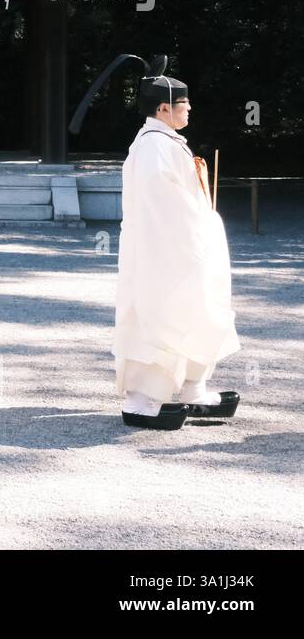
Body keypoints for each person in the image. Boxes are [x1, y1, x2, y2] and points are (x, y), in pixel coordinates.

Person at [70, 54, 240, 429]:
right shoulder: (152, 146)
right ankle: (142, 398)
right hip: (163, 250)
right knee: (159, 317)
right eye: (184, 103)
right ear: (164, 108)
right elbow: (164, 205)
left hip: (181, 247)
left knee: (195, 310)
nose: (190, 108)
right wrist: (202, 223)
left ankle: (193, 387)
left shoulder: (164, 141)